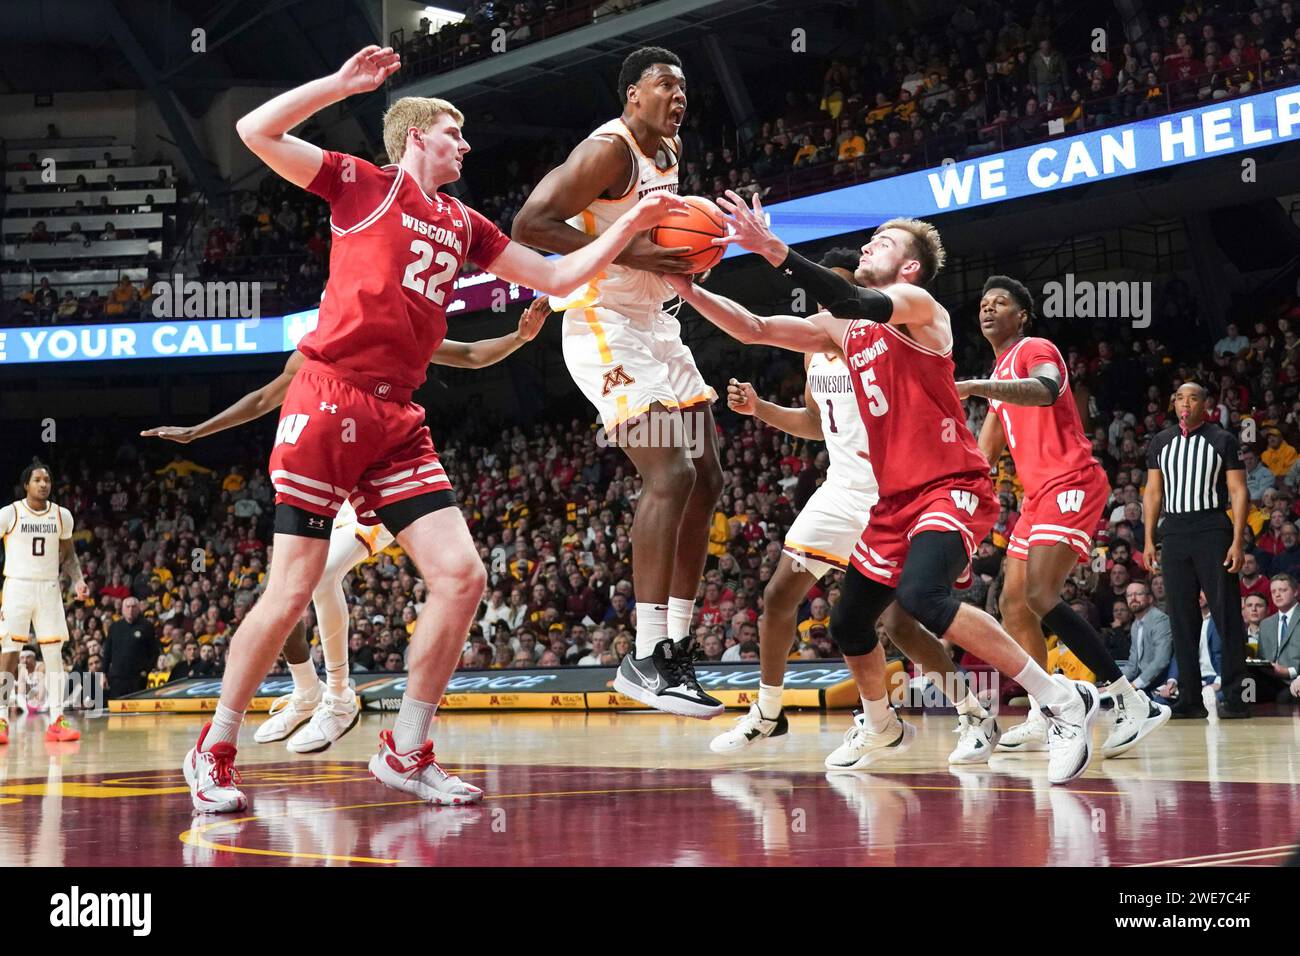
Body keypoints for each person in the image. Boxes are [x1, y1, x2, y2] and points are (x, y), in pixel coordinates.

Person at [178, 43, 689, 814]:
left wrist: (633, 225)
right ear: (418, 138)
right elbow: (255, 130)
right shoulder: (365, 186)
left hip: (397, 415)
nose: (468, 144)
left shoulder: (465, 223)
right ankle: (214, 748)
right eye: (455, 133)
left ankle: (406, 748)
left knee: (463, 576)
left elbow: (554, 276)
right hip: (330, 397)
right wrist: (338, 84)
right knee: (291, 590)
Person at [667, 194, 1100, 783]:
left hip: (949, 484)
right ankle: (881, 722)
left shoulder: (918, 307)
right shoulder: (840, 332)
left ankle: (1058, 698)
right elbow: (756, 328)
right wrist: (688, 288)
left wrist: (775, 250)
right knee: (850, 624)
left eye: (884, 242)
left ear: (910, 266)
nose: (869, 244)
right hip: (891, 500)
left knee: (922, 599)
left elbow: (854, 297)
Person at [144, 296, 550, 753]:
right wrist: (197, 431)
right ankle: (307, 692)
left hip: (381, 481)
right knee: (284, 599)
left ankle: (340, 697)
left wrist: (519, 337)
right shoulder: (312, 352)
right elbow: (262, 399)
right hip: (328, 481)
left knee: (321, 578)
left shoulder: (402, 333)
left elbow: (471, 355)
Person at [708, 249, 994, 764]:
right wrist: (761, 410)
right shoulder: (814, 349)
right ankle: (768, 712)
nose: (827, 303)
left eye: (836, 292)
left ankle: (973, 711)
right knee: (777, 596)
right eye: (822, 294)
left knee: (901, 624)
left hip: (892, 492)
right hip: (840, 490)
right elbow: (818, 424)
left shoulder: (885, 338)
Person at [512, 47, 727, 720]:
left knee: (710, 477)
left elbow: (661, 235)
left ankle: (677, 648)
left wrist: (688, 258)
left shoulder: (671, 150)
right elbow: (529, 226)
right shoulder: (610, 151)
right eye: (666, 82)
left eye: (684, 84)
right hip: (605, 326)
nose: (678, 93)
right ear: (633, 94)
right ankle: (644, 655)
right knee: (669, 474)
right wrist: (635, 252)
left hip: (658, 324)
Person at [957, 276, 1169, 757]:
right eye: (983, 304)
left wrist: (974, 384)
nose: (989, 309)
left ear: (1022, 315)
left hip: (1072, 480)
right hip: (1036, 497)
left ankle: (1131, 701)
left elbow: (1047, 390)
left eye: (1001, 302)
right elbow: (981, 457)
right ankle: (1044, 710)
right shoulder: (997, 381)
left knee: (1039, 593)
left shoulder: (1034, 347)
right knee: (1012, 604)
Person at [1144, 383, 1251, 718]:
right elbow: (1152, 493)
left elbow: (1238, 491)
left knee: (1226, 614)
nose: (1185, 404)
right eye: (1179, 398)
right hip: (1174, 532)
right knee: (1181, 617)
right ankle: (1190, 700)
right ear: (1173, 404)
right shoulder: (1160, 441)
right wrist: (1148, 539)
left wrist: (1237, 540)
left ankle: (1235, 697)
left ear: (1206, 404)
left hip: (1212, 529)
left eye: (1192, 398)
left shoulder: (1222, 439)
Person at [0, 459, 85, 745]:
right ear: (26, 485)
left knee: (54, 655)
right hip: (17, 586)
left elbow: (70, 554)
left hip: (49, 588)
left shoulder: (62, 516)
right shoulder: (10, 513)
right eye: (37, 480)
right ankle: (1, 718)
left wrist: (78, 580)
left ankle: (56, 721)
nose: (43, 484)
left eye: (47, 480)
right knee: (9, 652)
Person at [1255, 574, 1300, 703]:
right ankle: (1244, 718)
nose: (1277, 595)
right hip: (1270, 679)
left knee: (1283, 698)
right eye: (1274, 591)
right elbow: (1261, 657)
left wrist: (1288, 672)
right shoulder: (1266, 623)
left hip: (1295, 679)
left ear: (1295, 591)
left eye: (1283, 590)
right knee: (1246, 683)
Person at [102, 596, 159, 698]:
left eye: (134, 607)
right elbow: (107, 652)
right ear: (123, 609)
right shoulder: (114, 627)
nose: (130, 610)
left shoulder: (147, 627)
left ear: (138, 609)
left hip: (137, 678)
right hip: (117, 678)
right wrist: (103, 673)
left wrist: (146, 670)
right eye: (127, 607)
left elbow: (154, 652)